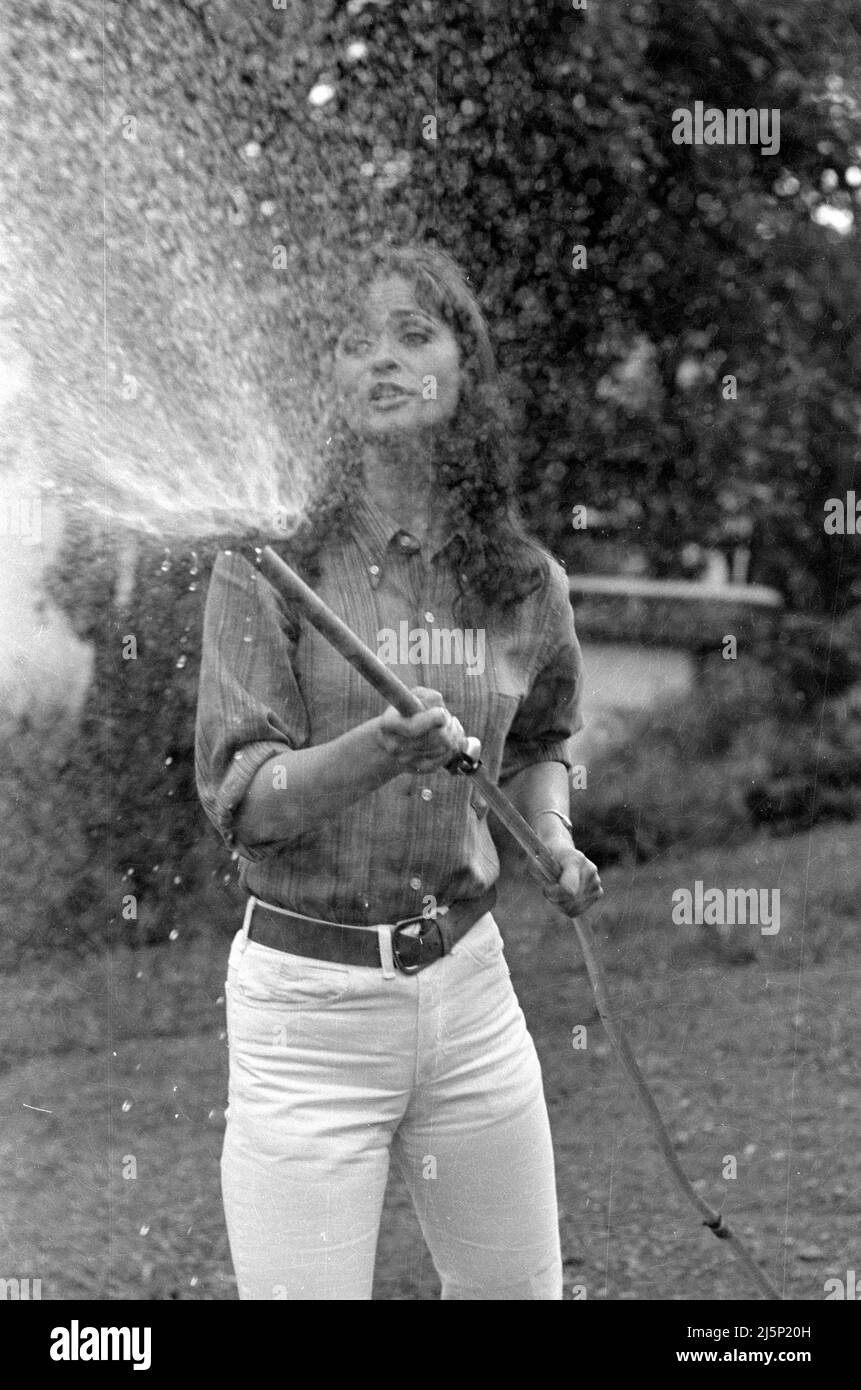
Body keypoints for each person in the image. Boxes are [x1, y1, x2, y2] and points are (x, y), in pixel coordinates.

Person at [195, 241, 603, 1301]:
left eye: (411, 335)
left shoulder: (524, 582)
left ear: (464, 370)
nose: (379, 359)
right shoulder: (265, 560)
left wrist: (551, 835)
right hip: (307, 1014)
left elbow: (541, 742)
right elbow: (251, 803)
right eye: (351, 342)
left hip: (471, 995)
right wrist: (378, 748)